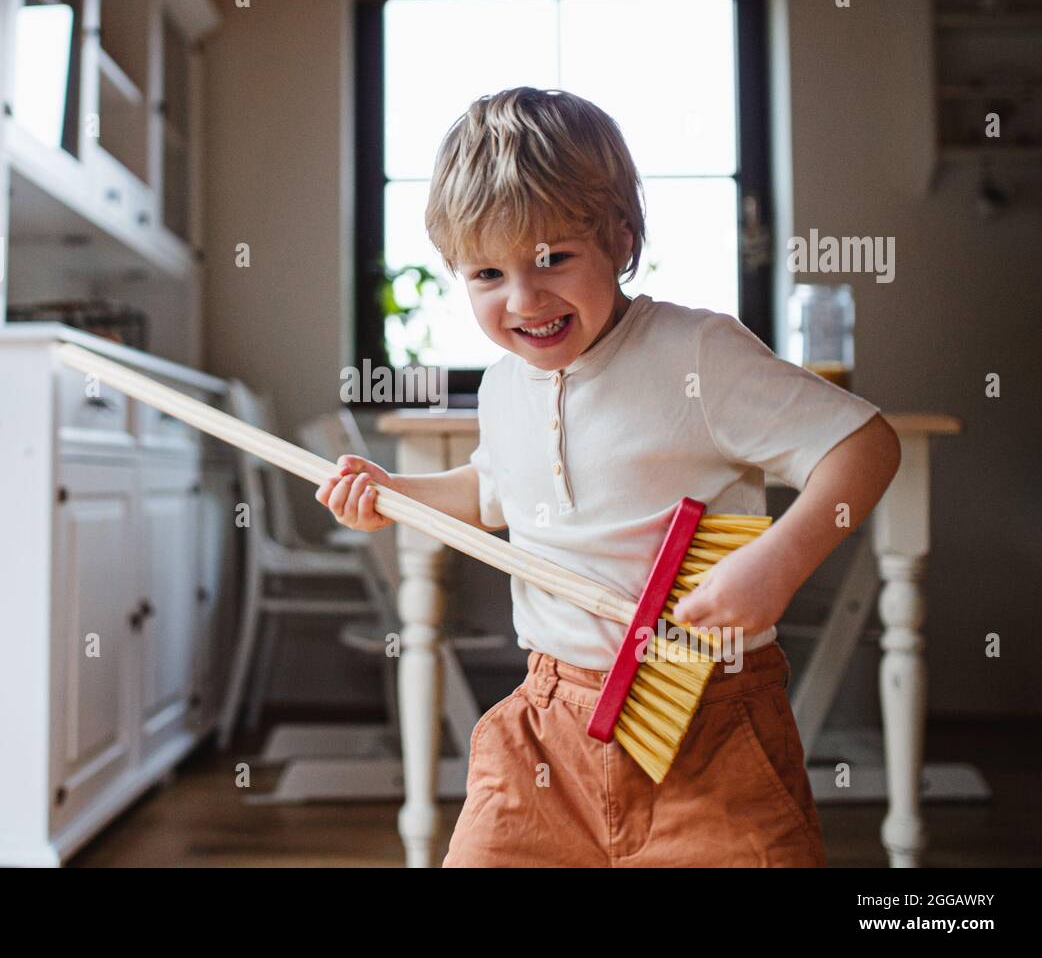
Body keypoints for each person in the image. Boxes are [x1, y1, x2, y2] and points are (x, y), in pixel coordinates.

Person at [315, 87, 900, 867]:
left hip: (708, 724)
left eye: (552, 258)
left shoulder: (697, 354)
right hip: (548, 725)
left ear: (621, 238)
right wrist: (390, 494)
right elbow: (493, 493)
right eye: (487, 273)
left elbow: (866, 446)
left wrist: (778, 563)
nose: (524, 299)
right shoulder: (501, 384)